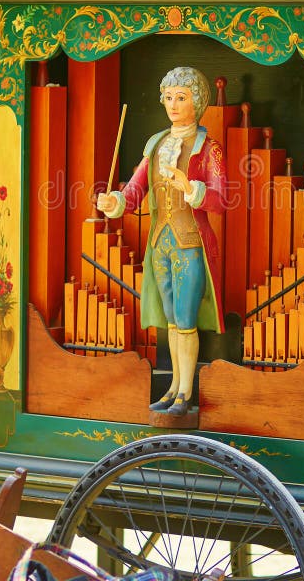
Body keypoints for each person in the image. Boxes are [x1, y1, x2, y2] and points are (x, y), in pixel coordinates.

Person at [97, 67, 227, 417]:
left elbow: (223, 198)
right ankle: (172, 386)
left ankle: (186, 391)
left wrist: (191, 189)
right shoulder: (156, 144)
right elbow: (136, 189)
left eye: (181, 97)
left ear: (196, 102)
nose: (172, 104)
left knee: (185, 318)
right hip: (160, 243)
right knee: (170, 318)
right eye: (168, 97)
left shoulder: (207, 147)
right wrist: (116, 203)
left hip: (189, 242)